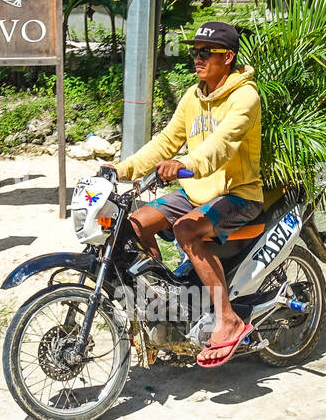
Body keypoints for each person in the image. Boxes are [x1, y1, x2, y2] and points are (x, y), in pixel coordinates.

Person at [106, 21, 262, 368]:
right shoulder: (194, 95)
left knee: (186, 230)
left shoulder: (245, 97)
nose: (197, 57)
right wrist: (121, 170)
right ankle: (166, 311)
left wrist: (184, 163)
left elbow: (221, 147)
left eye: (206, 52)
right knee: (134, 224)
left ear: (229, 56)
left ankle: (228, 319)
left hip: (237, 192)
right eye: (195, 51)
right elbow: (165, 141)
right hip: (196, 193)